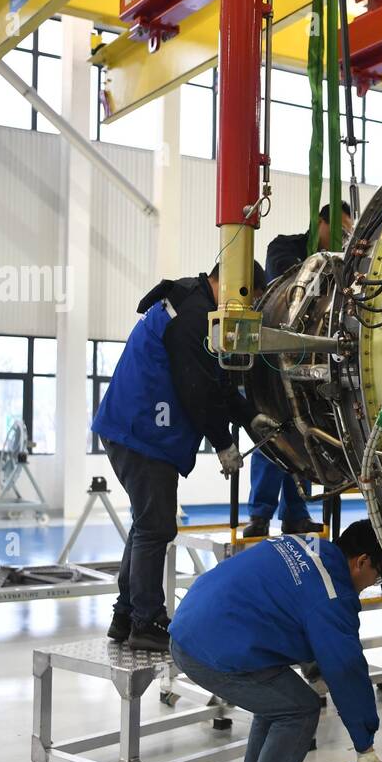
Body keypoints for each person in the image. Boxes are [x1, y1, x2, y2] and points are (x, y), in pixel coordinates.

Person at [169, 519, 382, 762]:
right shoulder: (332, 594)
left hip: (193, 625)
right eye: (379, 575)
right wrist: (365, 746)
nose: (374, 583)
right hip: (211, 649)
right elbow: (347, 669)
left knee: (278, 703)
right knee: (299, 710)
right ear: (362, 562)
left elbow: (289, 602)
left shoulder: (305, 544)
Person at [90, 264, 252, 652]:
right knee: (156, 527)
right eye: (251, 297)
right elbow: (197, 388)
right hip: (143, 433)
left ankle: (125, 615)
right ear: (230, 284)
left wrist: (251, 418)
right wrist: (223, 442)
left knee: (147, 524)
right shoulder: (194, 316)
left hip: (132, 429)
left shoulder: (191, 305)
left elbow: (217, 381)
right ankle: (147, 621)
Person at [245, 202, 355, 538]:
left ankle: (295, 515)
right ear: (322, 222)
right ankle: (260, 515)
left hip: (310, 367)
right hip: (272, 362)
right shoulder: (285, 247)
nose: (344, 236)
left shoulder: (344, 268)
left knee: (305, 440)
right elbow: (286, 287)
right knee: (274, 437)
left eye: (349, 231)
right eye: (340, 228)